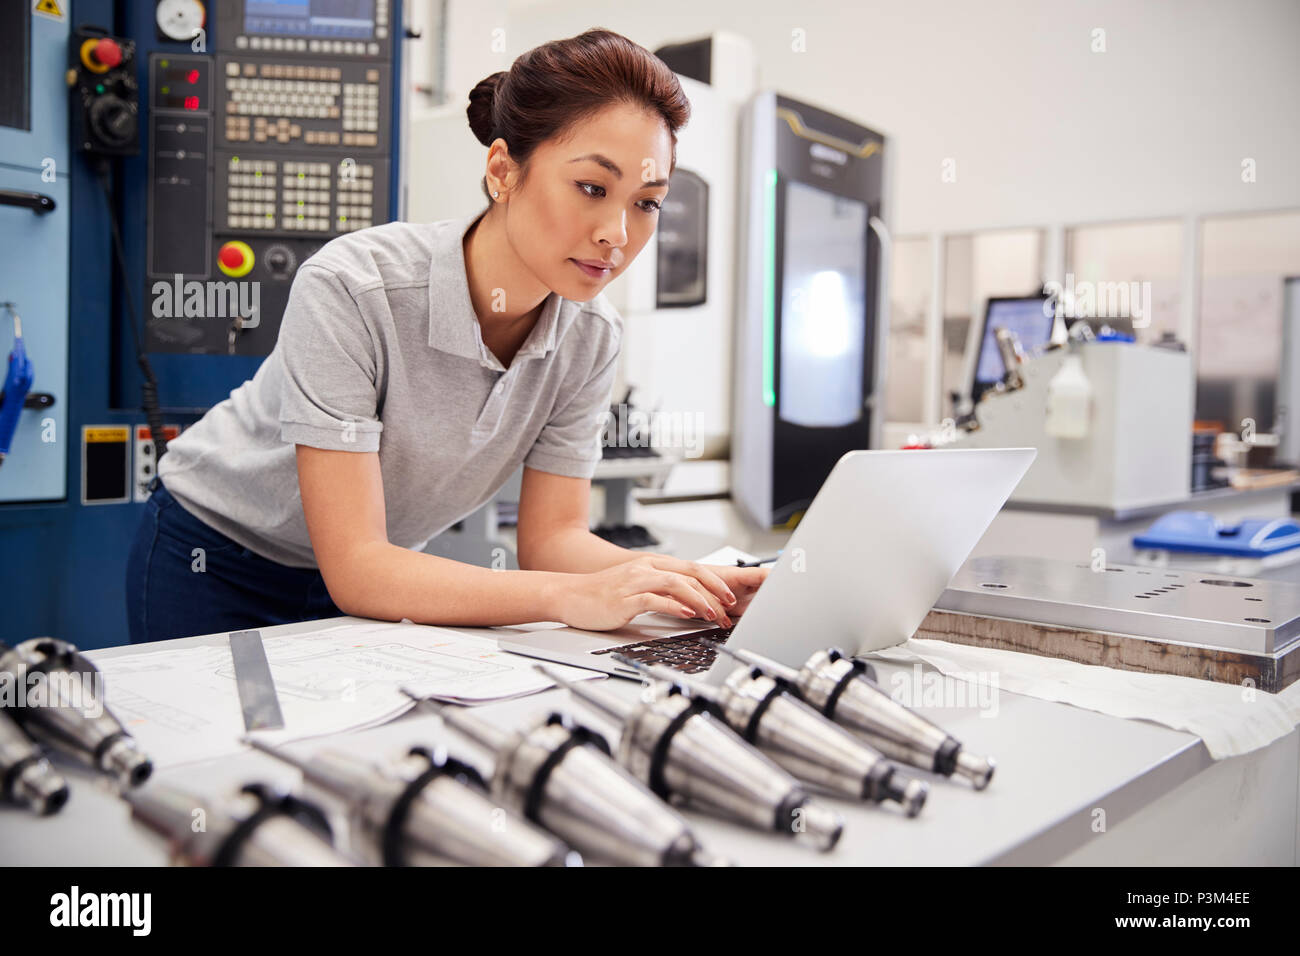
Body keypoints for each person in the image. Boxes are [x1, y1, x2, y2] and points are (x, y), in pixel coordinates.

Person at [125, 28, 769, 644]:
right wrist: (561, 597)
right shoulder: (354, 287)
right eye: (592, 187)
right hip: (217, 555)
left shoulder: (592, 336)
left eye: (646, 201)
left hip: (392, 577)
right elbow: (357, 568)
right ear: (503, 170)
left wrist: (690, 586)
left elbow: (552, 538)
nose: (618, 233)